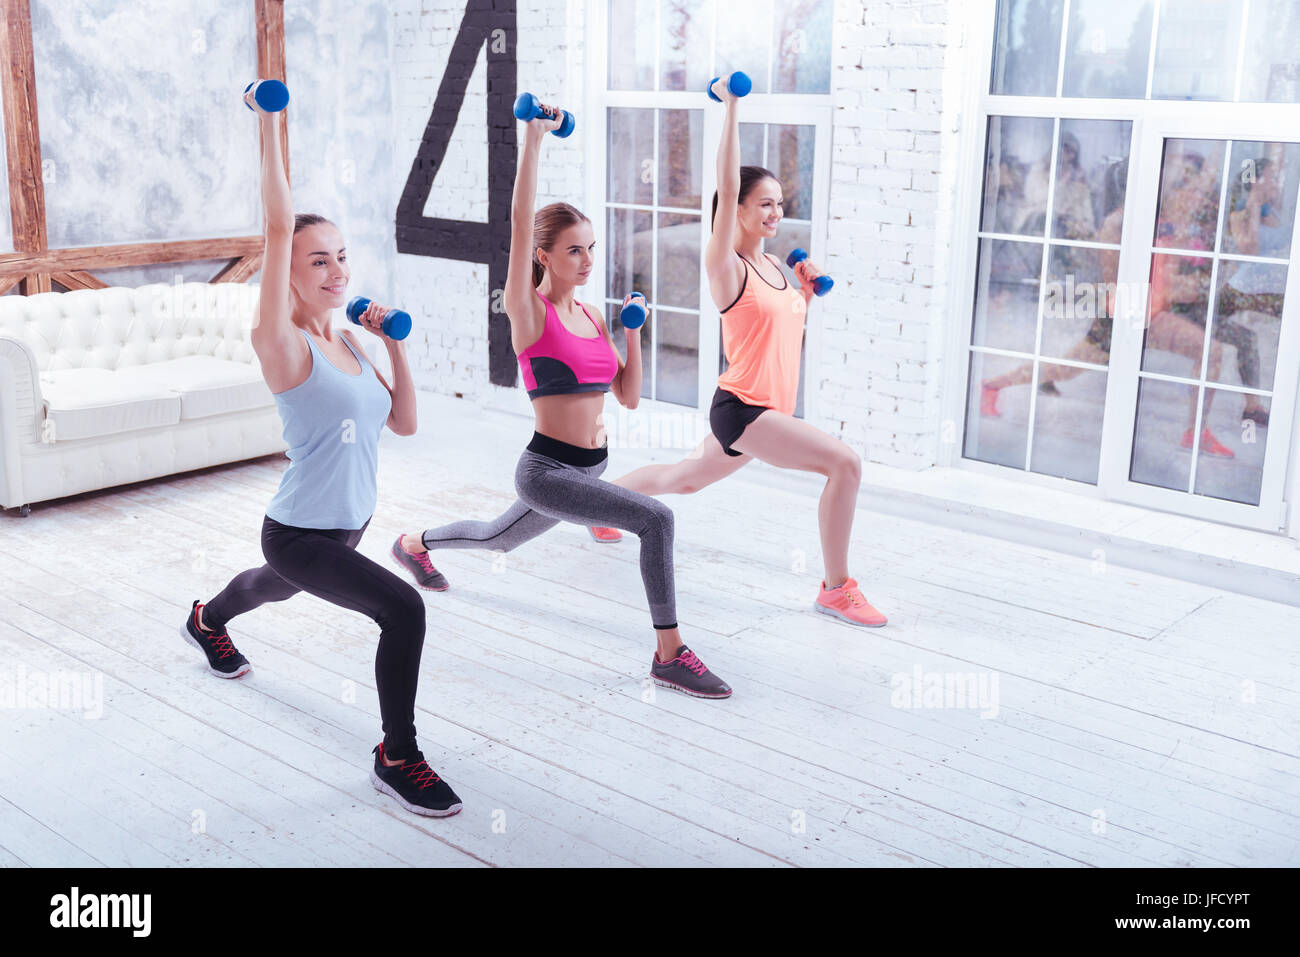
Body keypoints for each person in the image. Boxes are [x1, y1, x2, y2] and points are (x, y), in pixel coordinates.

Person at [181, 84, 462, 817]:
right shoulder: (284, 343)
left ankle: (207, 617)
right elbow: (276, 228)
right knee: (402, 611)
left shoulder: (350, 340)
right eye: (317, 262)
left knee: (272, 585)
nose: (336, 271)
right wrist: (272, 120)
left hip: (344, 525)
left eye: (341, 256)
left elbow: (402, 424)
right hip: (300, 529)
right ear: (290, 273)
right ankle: (396, 753)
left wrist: (395, 349)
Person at [389, 98, 732, 699]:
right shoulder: (530, 312)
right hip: (547, 469)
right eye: (574, 250)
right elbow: (520, 223)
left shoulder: (595, 317)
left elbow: (626, 397)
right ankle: (669, 653)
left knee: (497, 537)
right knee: (657, 518)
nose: (587, 260)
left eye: (591, 248)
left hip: (591, 466)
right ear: (544, 257)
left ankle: (414, 543)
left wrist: (633, 330)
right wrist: (535, 137)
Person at [584, 77, 886, 628]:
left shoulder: (775, 268)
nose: (775, 212)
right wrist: (732, 108)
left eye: (780, 204)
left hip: (767, 408)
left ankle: (598, 506)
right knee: (844, 464)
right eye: (764, 204)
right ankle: (836, 589)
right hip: (744, 409)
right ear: (737, 210)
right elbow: (723, 180)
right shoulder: (730, 269)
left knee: (685, 479)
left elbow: (778, 336)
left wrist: (806, 296)